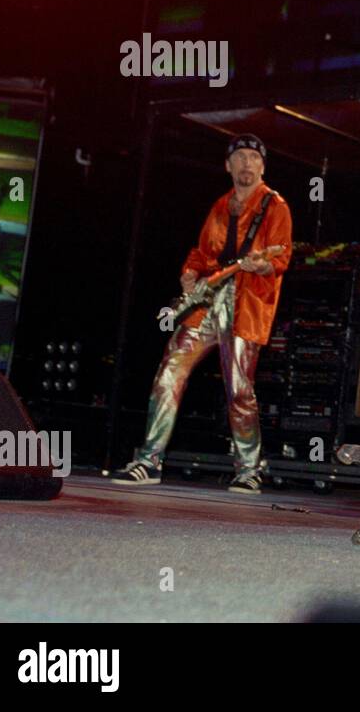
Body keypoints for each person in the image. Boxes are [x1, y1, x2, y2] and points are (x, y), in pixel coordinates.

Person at [113, 134, 292, 494]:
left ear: (262, 166)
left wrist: (260, 266)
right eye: (239, 157)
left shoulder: (275, 206)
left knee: (240, 388)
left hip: (245, 304)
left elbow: (281, 257)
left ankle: (249, 469)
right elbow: (200, 253)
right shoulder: (220, 206)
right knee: (169, 372)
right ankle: (149, 460)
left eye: (253, 158)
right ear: (227, 166)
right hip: (207, 302)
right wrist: (189, 273)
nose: (246, 163)